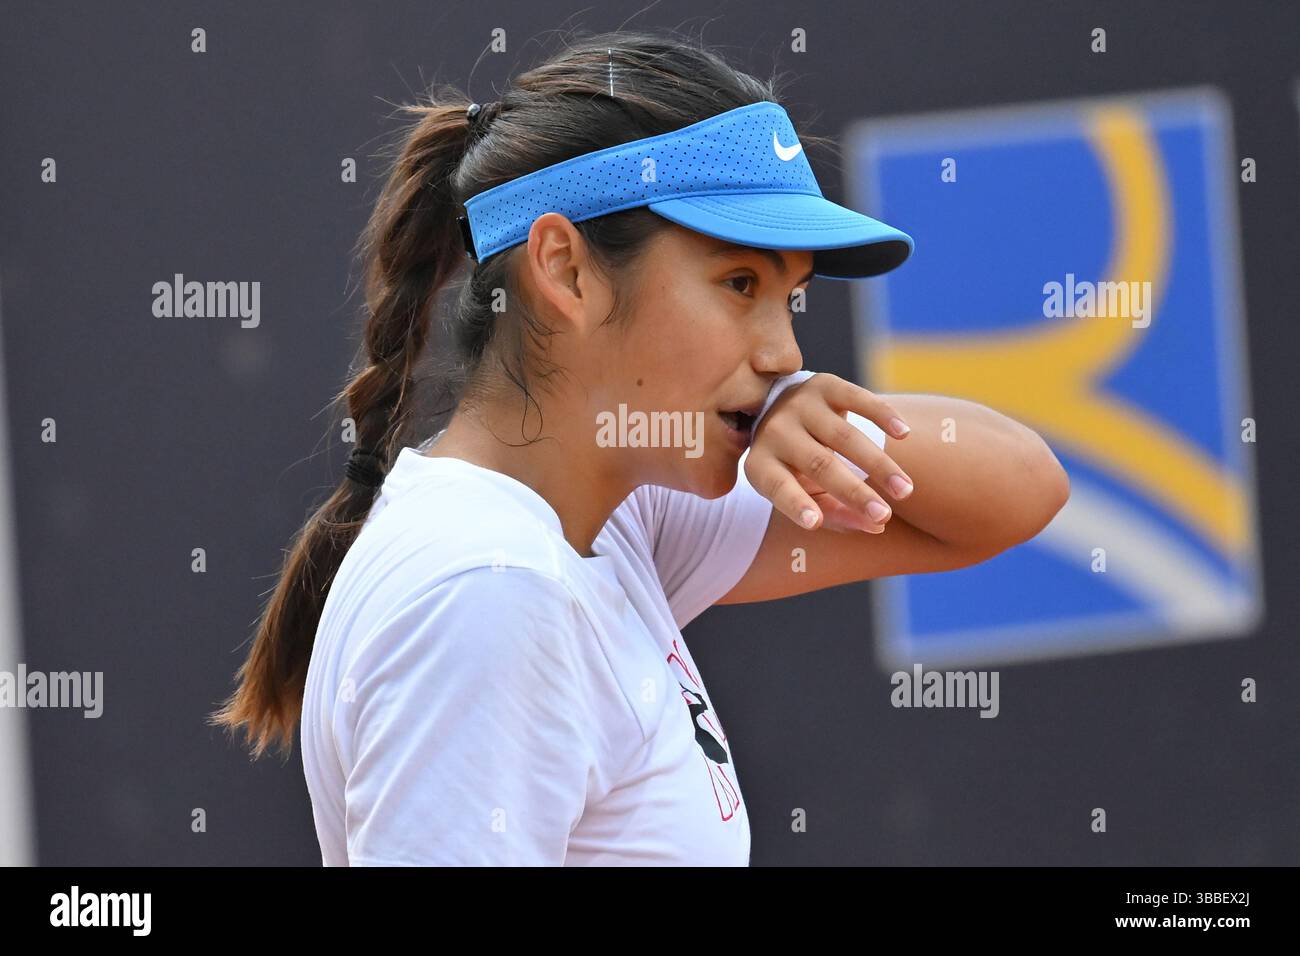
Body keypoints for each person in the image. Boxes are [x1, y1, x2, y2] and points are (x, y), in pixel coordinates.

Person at [210, 29, 1069, 866]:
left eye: (790, 299)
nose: (785, 355)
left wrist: (800, 410)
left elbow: (1023, 491)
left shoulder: (608, 517)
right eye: (740, 284)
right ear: (566, 271)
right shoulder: (493, 591)